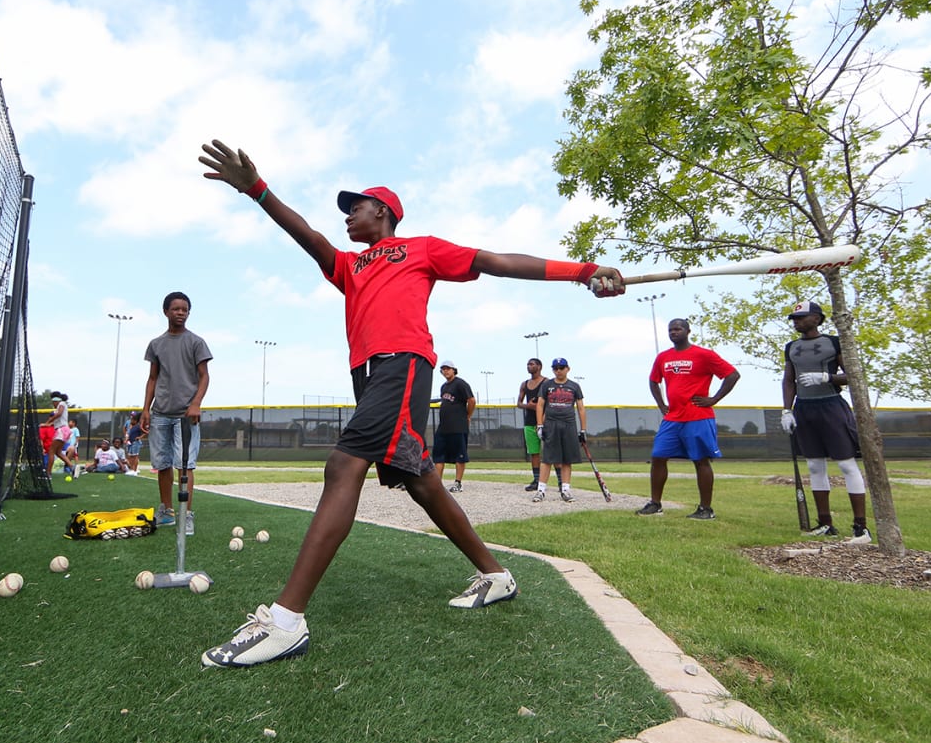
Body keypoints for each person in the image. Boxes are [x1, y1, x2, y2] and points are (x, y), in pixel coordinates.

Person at [195, 138, 625, 668]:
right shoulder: (350, 267)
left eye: (357, 206)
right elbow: (305, 234)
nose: (349, 215)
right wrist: (257, 190)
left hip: (402, 366)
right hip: (369, 375)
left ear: (385, 212)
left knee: (343, 464)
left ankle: (285, 622)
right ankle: (496, 575)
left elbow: (494, 260)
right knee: (421, 479)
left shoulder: (419, 248)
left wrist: (583, 270)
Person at [638, 318, 741, 520]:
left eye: (677, 329)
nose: (673, 332)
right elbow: (653, 381)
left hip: (698, 416)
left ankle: (705, 509)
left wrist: (714, 399)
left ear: (687, 331)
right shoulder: (663, 357)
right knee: (658, 457)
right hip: (673, 418)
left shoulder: (704, 355)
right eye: (670, 330)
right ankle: (655, 504)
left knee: (701, 461)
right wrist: (661, 405)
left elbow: (732, 375)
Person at [780, 300, 868, 538]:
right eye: (794, 318)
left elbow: (852, 375)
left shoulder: (833, 342)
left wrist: (826, 377)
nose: (796, 322)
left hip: (831, 406)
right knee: (814, 465)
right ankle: (825, 523)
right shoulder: (791, 347)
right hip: (804, 408)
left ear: (817, 318)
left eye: (801, 317)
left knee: (846, 464)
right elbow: (789, 380)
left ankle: (861, 527)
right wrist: (786, 410)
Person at [141, 291, 213, 528]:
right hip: (160, 413)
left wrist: (196, 404)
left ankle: (186, 515)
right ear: (166, 312)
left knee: (185, 466)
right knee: (162, 465)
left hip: (186, 416)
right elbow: (152, 378)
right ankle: (167, 511)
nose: (181, 313)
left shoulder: (196, 342)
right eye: (176, 309)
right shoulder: (156, 344)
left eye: (185, 310)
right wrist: (146, 410)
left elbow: (204, 376)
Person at [531, 358, 588, 503]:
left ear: (568, 369)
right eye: (555, 368)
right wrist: (540, 425)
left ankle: (565, 490)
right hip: (551, 424)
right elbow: (540, 405)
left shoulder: (574, 386)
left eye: (561, 368)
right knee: (548, 458)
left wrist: (583, 430)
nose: (558, 371)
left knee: (567, 459)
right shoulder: (547, 385)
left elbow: (581, 408)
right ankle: (541, 490)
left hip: (568, 424)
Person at [432, 362, 476, 492]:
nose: (445, 372)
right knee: (438, 456)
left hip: (458, 426)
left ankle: (458, 483)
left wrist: (468, 415)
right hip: (444, 427)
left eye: (447, 369)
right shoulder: (444, 387)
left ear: (454, 370)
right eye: (443, 370)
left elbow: (471, 400)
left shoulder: (460, 383)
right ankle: (437, 484)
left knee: (459, 455)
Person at [516, 357, 547, 491]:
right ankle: (536, 480)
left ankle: (560, 481)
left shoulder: (546, 383)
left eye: (532, 364)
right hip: (530, 422)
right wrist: (528, 406)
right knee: (534, 452)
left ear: (539, 366)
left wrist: (540, 412)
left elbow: (550, 403)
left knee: (553, 452)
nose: (529, 366)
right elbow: (519, 404)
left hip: (546, 421)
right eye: (528, 364)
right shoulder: (525, 384)